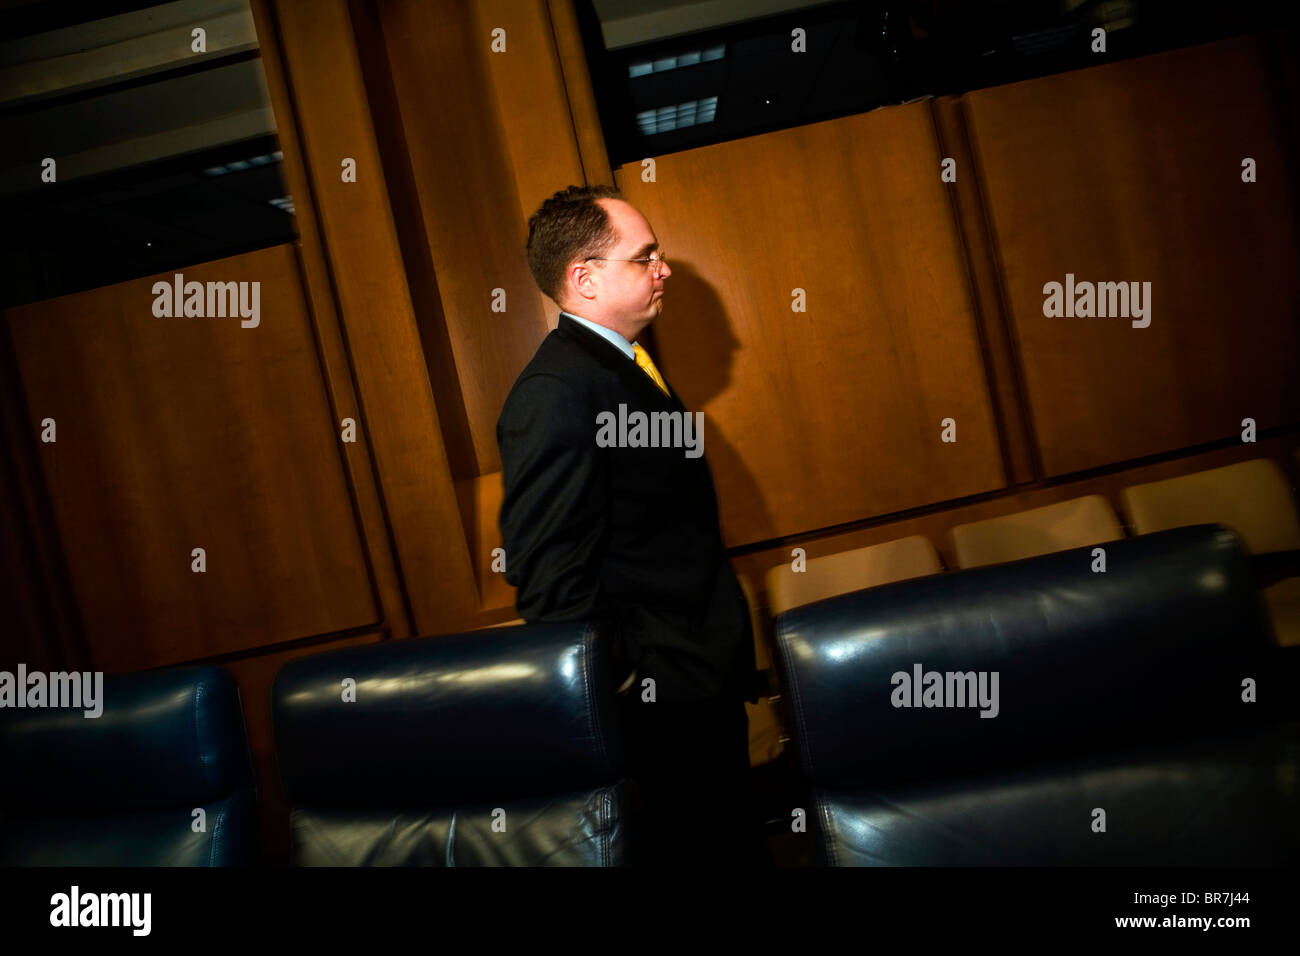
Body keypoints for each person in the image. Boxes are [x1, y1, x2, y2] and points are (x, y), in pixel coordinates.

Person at [496, 184, 767, 866]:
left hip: (697, 681)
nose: (663, 268)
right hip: (661, 708)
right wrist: (629, 684)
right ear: (583, 279)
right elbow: (548, 577)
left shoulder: (624, 362)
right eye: (644, 256)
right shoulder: (555, 392)